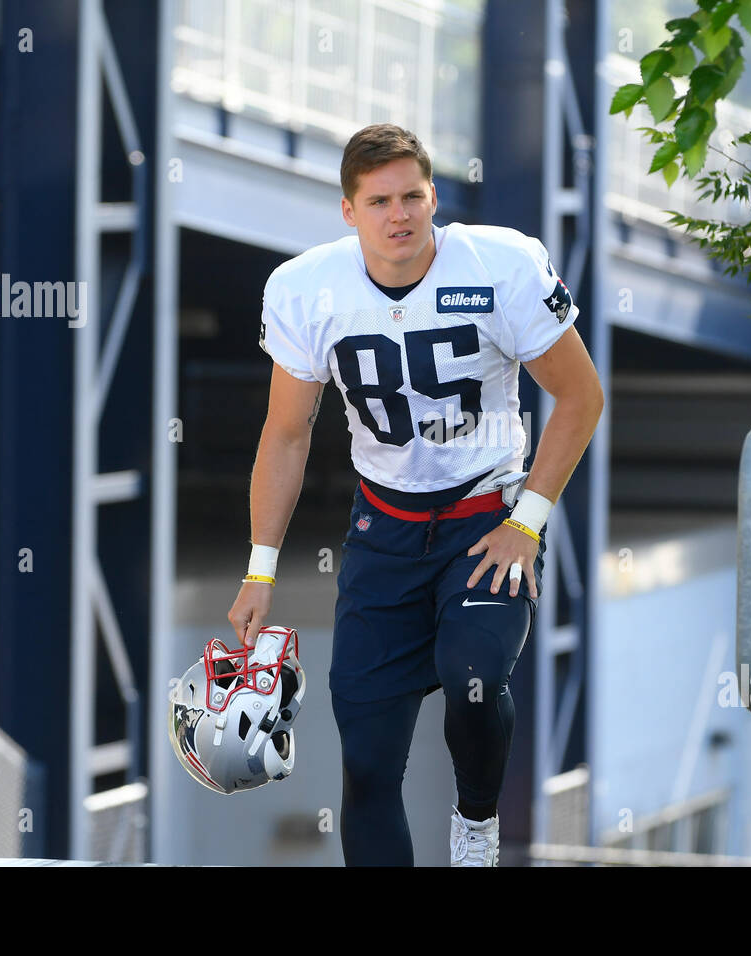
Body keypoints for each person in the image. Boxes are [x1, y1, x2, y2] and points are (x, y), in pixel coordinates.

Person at [228, 123, 604, 866]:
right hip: (385, 531)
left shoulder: (501, 264)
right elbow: (287, 434)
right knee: (366, 765)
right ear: (348, 211)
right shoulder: (307, 288)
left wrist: (527, 522)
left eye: (411, 197)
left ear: (434, 197)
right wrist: (261, 568)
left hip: (485, 515)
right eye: (378, 201)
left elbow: (581, 397)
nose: (398, 215)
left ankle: (476, 823)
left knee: (475, 677)